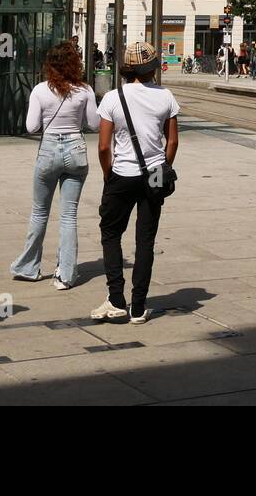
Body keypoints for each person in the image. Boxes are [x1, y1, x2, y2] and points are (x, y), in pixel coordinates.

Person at [90, 42, 180, 325]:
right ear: (153, 68)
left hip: (122, 174)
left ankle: (116, 299)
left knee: (111, 233)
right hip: (154, 174)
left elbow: (104, 147)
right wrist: (163, 167)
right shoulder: (166, 97)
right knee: (146, 239)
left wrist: (108, 174)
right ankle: (139, 307)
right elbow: (173, 141)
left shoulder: (113, 98)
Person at [10, 42, 100, 289]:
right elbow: (94, 124)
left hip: (49, 150)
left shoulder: (40, 90)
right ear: (75, 64)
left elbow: (31, 127)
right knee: (68, 215)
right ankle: (66, 275)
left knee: (39, 212)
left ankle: (28, 267)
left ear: (49, 64)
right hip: (76, 150)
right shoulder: (85, 90)